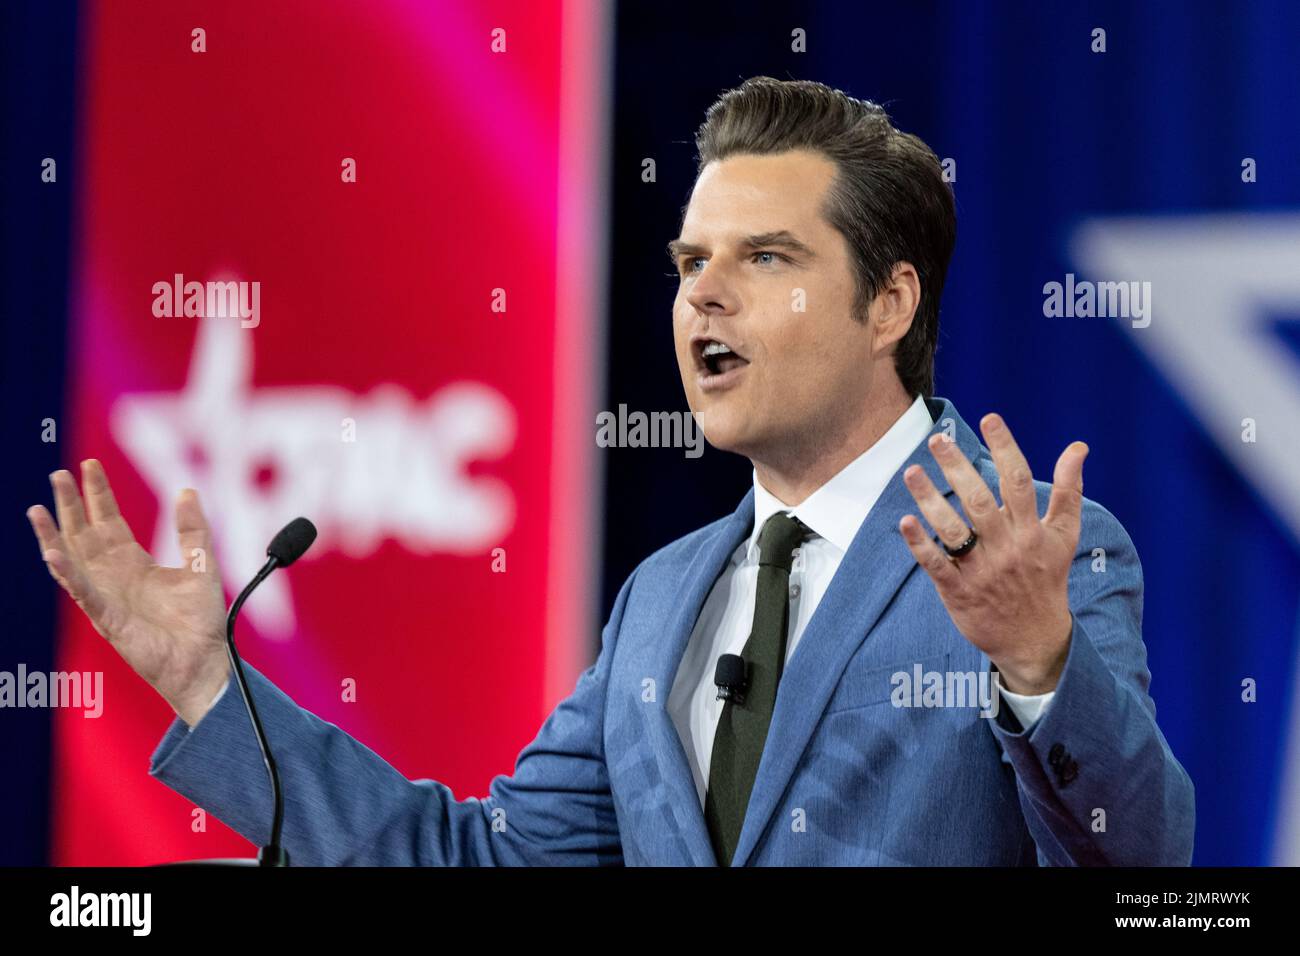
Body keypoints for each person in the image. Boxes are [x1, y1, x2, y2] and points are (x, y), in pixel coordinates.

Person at [26, 77, 1194, 865]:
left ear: (887, 302)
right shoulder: (661, 598)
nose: (703, 294)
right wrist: (207, 682)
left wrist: (1036, 659)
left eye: (765, 257)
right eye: (690, 261)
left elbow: (1142, 863)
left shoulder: (1035, 558)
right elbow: (478, 860)